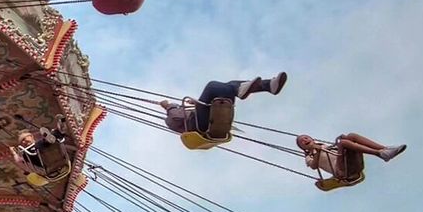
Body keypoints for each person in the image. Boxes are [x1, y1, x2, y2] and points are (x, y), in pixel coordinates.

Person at [160, 74, 288, 137]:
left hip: (207, 120)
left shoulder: (194, 113)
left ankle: (268, 85)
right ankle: (246, 89)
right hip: (200, 127)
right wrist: (168, 105)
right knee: (212, 86)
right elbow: (176, 117)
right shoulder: (170, 120)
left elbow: (186, 113)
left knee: (229, 86)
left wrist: (195, 104)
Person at [297, 134, 406, 182]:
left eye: (306, 137)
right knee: (343, 143)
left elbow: (338, 150)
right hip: (342, 171)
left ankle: (385, 149)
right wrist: (317, 152)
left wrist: (345, 140)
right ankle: (379, 153)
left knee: (351, 136)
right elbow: (314, 166)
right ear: (303, 148)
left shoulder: (324, 146)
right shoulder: (309, 156)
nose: (304, 140)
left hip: (351, 165)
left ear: (312, 138)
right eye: (302, 142)